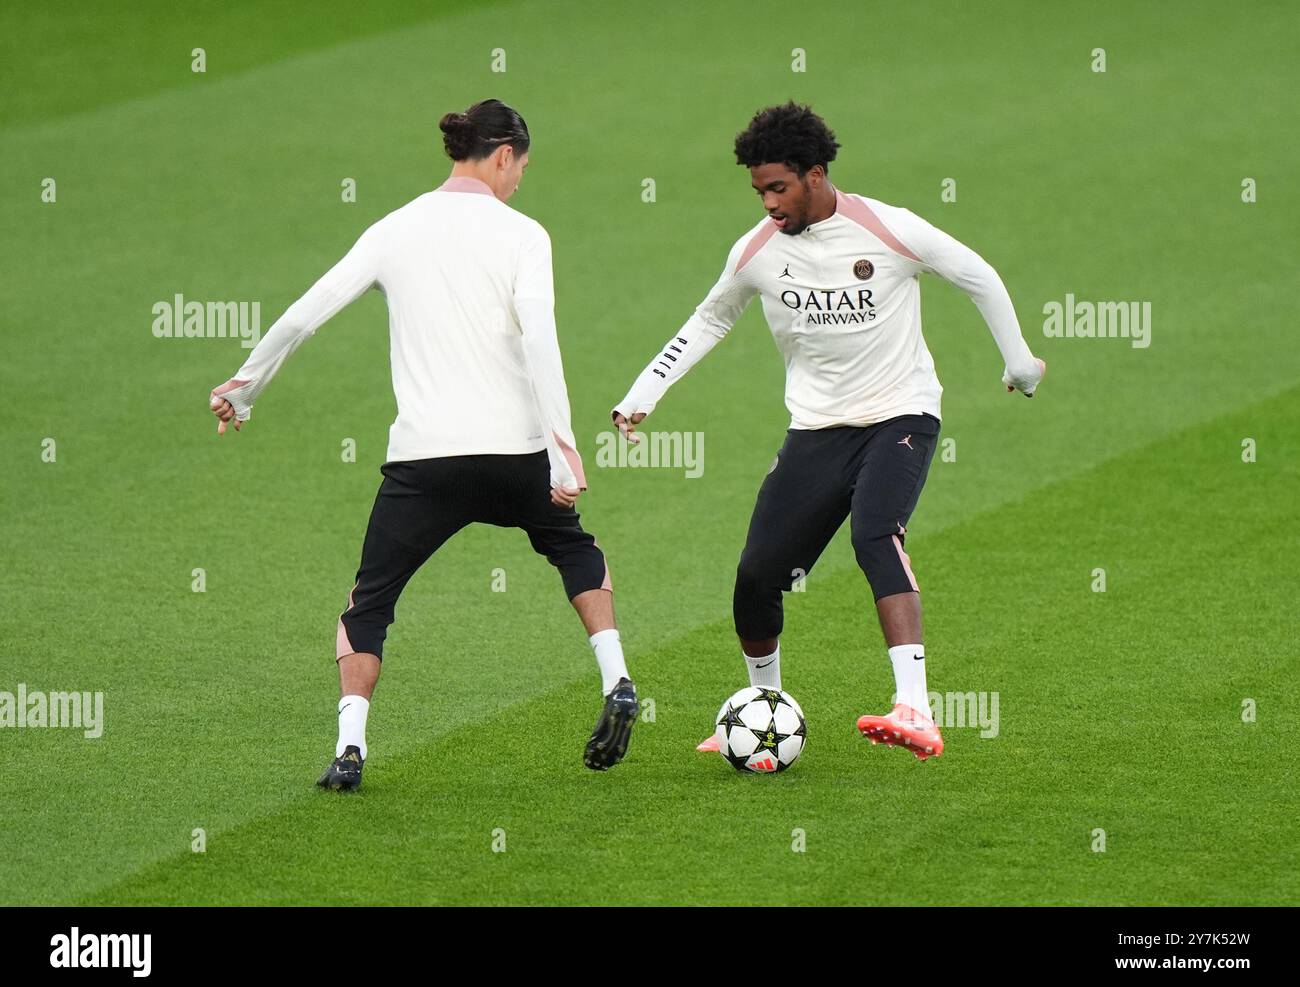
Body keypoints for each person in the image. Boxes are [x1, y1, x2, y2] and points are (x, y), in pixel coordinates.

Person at [209, 99, 638, 790]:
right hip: (517, 452)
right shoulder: (525, 234)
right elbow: (541, 342)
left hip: (424, 460)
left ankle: (351, 748)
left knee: (370, 601)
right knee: (572, 546)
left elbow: (304, 314)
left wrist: (244, 386)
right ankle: (616, 677)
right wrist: (562, 449)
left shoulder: (393, 228)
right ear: (503, 155)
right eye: (522, 166)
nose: (521, 179)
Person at [611, 102, 1045, 761]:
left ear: (816, 175)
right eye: (758, 191)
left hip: (901, 413)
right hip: (816, 429)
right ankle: (766, 705)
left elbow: (976, 274)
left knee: (876, 533)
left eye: (778, 188)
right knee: (757, 576)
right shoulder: (756, 252)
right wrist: (642, 394)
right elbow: (709, 320)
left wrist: (1020, 362)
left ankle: (916, 707)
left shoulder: (886, 229)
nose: (768, 204)